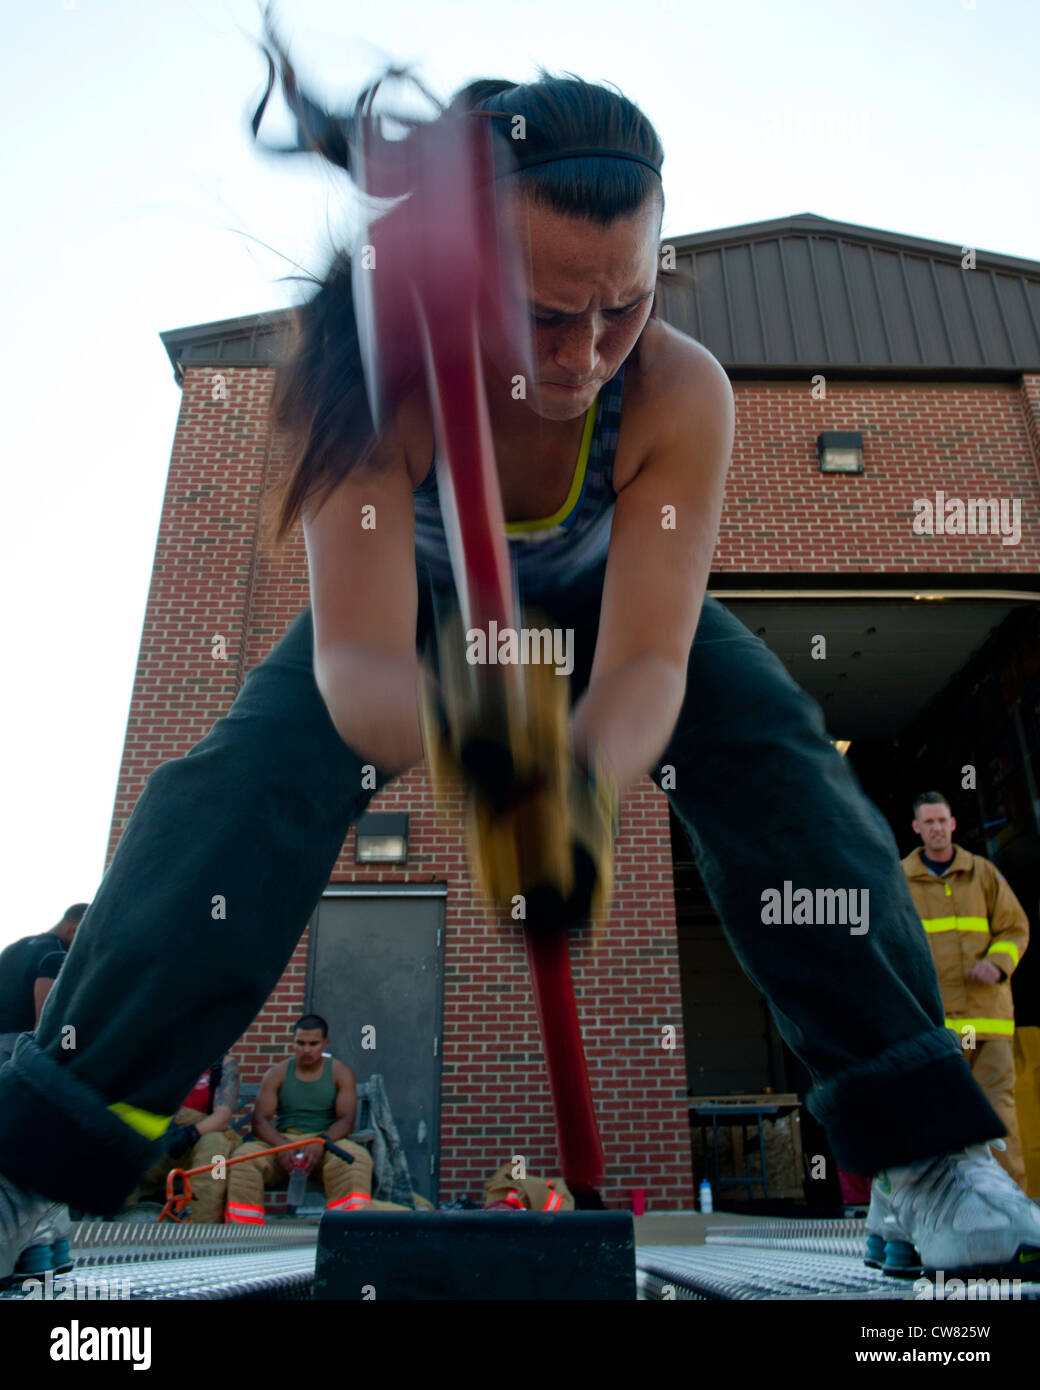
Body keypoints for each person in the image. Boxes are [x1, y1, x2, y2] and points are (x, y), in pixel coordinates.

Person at [2, 20, 1039, 1284]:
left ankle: (926, 1157)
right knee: (233, 792)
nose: (583, 355)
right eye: (543, 314)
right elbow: (365, 685)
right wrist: (484, 744)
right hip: (416, 620)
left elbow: (651, 668)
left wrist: (580, 790)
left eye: (621, 305)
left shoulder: (676, 394)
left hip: (609, 604)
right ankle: (30, 1164)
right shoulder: (373, 377)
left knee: (777, 761)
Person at [902, 792, 1030, 1189]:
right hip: (936, 1027)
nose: (937, 828)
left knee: (998, 1117)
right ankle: (945, 1207)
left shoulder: (983, 873)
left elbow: (1015, 928)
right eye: (929, 822)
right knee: (934, 1118)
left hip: (987, 1023)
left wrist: (997, 963)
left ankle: (1012, 1207)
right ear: (917, 828)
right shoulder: (897, 881)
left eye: (943, 820)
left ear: (953, 824)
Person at [224, 1015, 373, 1224]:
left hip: (326, 1144)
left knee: (356, 1159)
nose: (307, 1049)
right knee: (243, 1159)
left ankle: (348, 1227)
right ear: (292, 1043)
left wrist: (321, 1142)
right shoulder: (277, 1073)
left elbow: (346, 1121)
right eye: (300, 1043)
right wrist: (282, 1146)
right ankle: (243, 1230)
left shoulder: (341, 1072)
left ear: (325, 1044)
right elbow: (260, 1122)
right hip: (283, 1142)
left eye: (313, 1044)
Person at [125, 1053, 242, 1223]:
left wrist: (190, 1133)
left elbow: (223, 1117)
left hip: (204, 1139)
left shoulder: (223, 1064)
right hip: (161, 1141)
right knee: (125, 1146)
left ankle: (204, 1229)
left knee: (217, 1153)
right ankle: (124, 1225)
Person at [0, 904, 89, 1068]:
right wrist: (68, 1048)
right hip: (15, 1049)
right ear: (75, 930)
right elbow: (47, 1020)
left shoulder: (12, 948)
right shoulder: (56, 955)